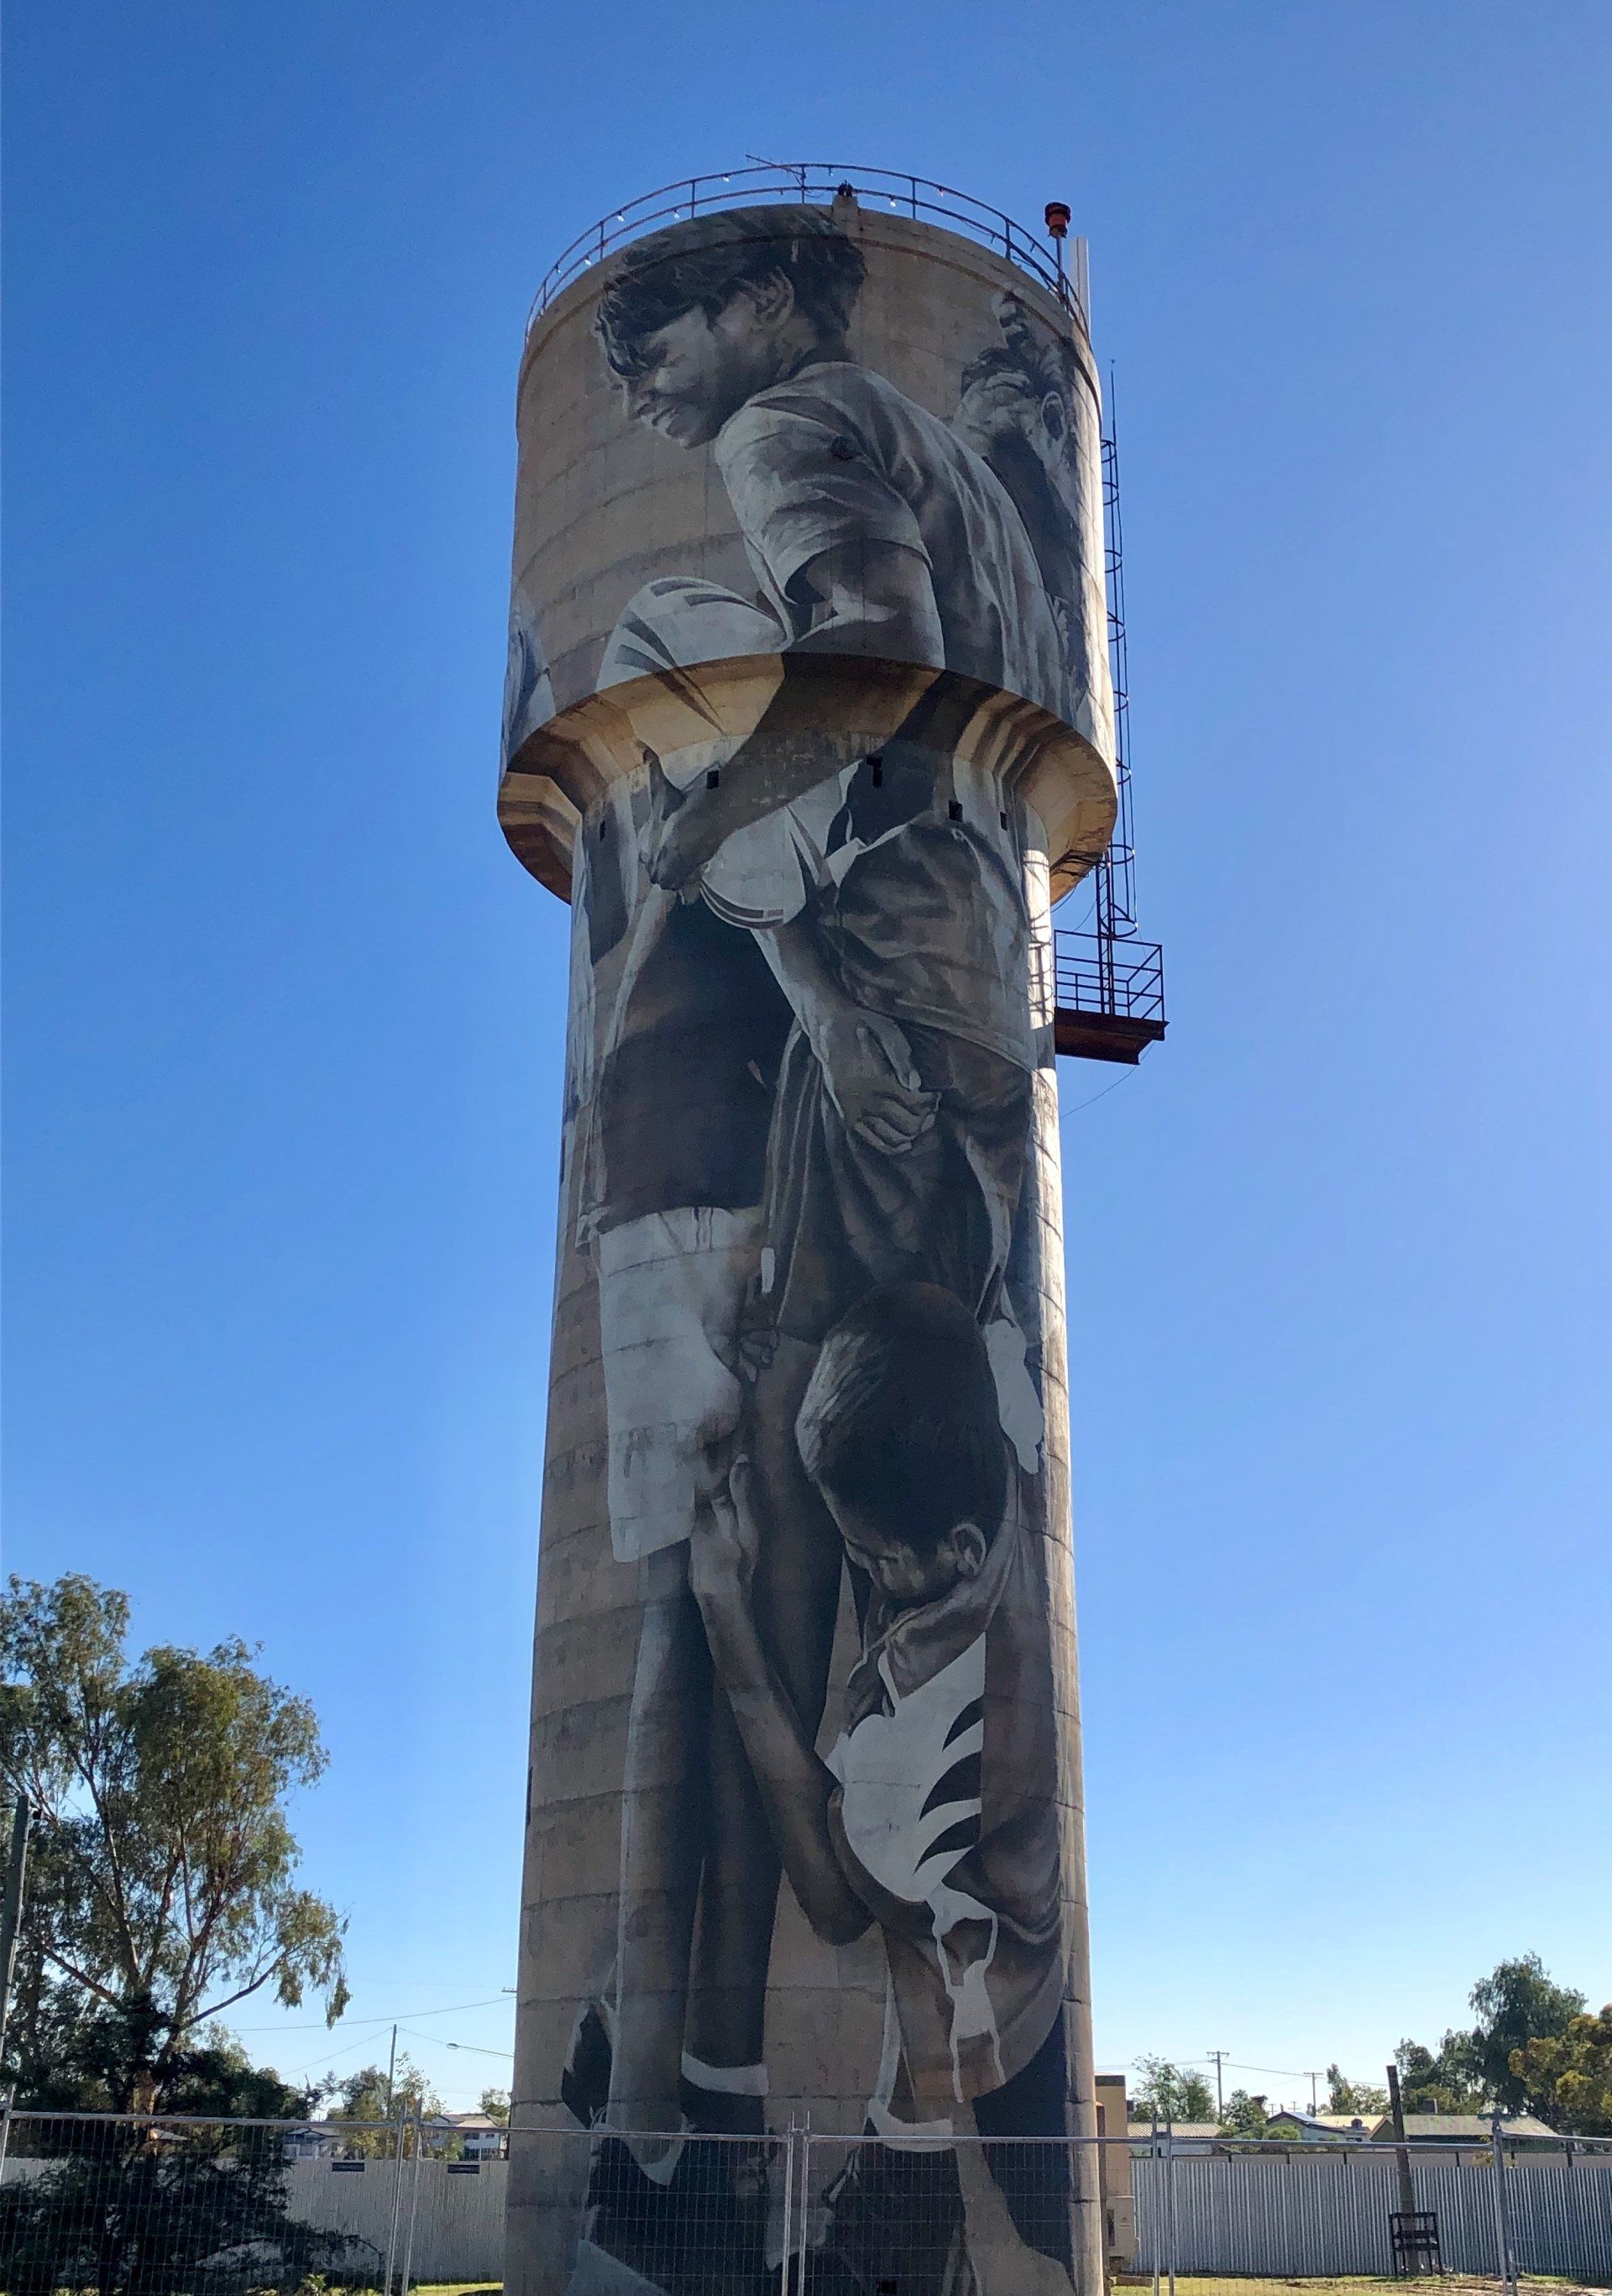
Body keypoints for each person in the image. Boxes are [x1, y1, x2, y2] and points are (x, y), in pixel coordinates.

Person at [587, 202, 1055, 2149]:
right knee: (926, 1510)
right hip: (980, 1027)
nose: (643, 389)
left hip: (880, 1017)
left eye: (660, 340)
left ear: (769, 298)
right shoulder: (960, 470)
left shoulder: (791, 426)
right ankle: (871, 2096)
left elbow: (867, 647)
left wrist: (714, 854)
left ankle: (693, 2104)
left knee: (766, 1530)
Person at [688, 1283, 1077, 2295]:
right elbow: (992, 1321)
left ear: (959, 1552)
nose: (861, 1574)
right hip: (1024, 1924)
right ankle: (904, 2191)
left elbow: (829, 1902)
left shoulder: (928, 1726)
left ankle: (908, 2220)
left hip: (998, 1998)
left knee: (926, 1958)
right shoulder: (1008, 1423)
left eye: (873, 1558)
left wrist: (724, 1606)